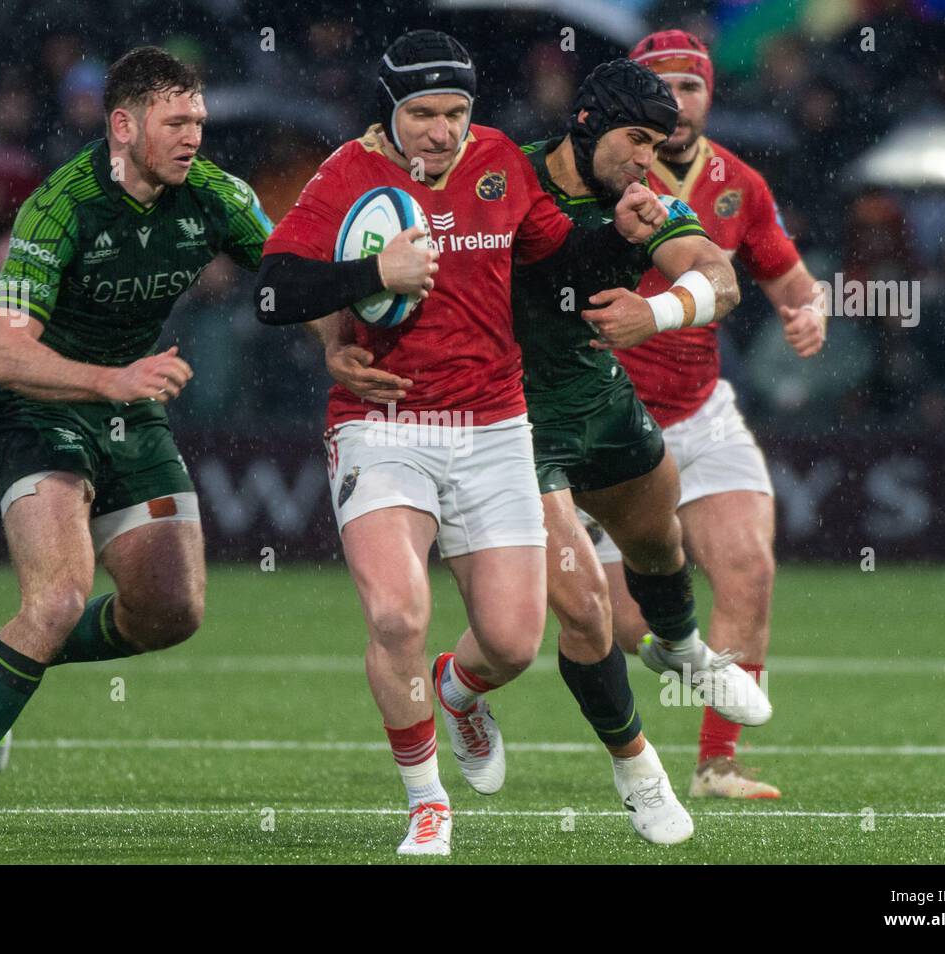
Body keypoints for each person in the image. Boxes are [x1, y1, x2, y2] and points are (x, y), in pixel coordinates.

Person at [329, 59, 772, 845]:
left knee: (659, 540)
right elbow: (347, 254)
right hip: (509, 423)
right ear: (588, 124)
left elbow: (721, 279)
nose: (651, 160)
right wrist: (335, 340)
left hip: (598, 402)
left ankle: (678, 648)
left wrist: (659, 312)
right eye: (638, 141)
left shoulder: (644, 200)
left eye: (660, 145)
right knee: (587, 608)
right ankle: (639, 773)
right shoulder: (502, 175)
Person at [256, 30, 669, 856]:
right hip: (382, 424)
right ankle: (427, 804)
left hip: (494, 427)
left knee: (513, 643)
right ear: (390, 109)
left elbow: (562, 265)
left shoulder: (500, 163)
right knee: (397, 614)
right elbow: (272, 291)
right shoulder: (346, 175)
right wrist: (373, 276)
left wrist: (621, 235)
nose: (442, 131)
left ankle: (456, 689)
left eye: (456, 112)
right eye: (423, 114)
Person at [0, 46, 273, 845]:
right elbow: (1, 352)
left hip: (127, 405)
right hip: (33, 408)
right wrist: (111, 380)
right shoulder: (59, 206)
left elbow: (291, 276)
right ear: (123, 125)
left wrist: (345, 328)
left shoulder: (217, 196)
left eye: (198, 120)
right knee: (58, 598)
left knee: (172, 610)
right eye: (175, 122)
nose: (193, 136)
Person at [588, 30, 828, 800]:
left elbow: (791, 281)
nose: (678, 102)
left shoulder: (739, 184)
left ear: (710, 95)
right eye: (661, 88)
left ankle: (716, 765)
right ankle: (674, 659)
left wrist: (810, 312)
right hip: (610, 422)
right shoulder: (603, 174)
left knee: (750, 568)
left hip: (702, 412)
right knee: (629, 627)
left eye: (690, 87)